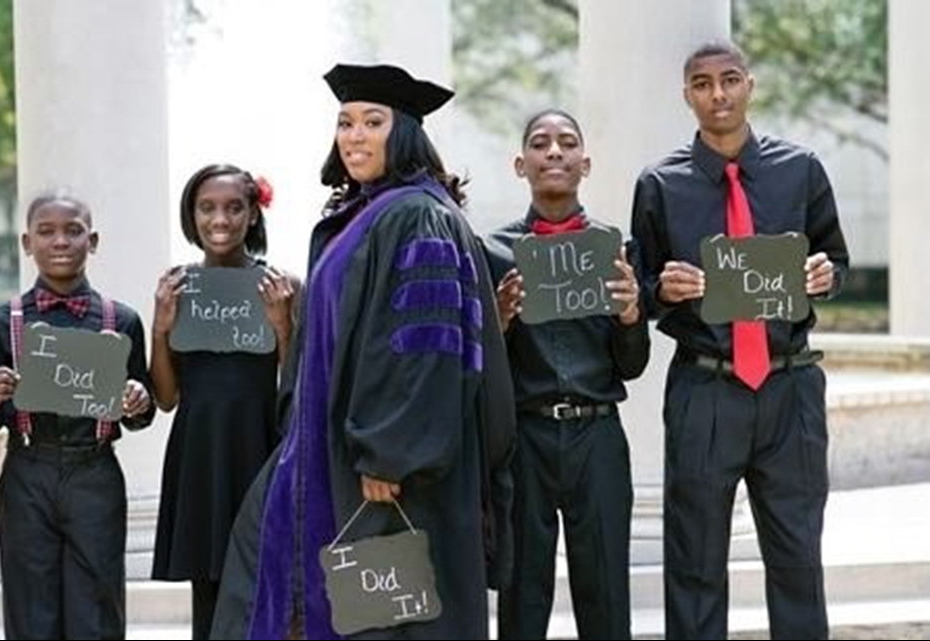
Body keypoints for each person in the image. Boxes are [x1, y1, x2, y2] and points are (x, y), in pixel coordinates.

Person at [209, 63, 516, 640]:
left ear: (402, 134)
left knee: (387, 617)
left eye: (372, 122)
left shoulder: (416, 214)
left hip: (385, 465)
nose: (354, 136)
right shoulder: (365, 213)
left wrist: (389, 452)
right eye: (345, 123)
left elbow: (424, 348)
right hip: (329, 451)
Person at [630, 41, 849, 640]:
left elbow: (839, 264)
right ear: (687, 96)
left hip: (791, 388)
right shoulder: (659, 185)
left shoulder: (800, 170)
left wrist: (827, 276)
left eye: (729, 80)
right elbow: (639, 291)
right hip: (706, 388)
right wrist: (661, 291)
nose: (718, 94)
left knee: (798, 556)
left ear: (750, 85)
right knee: (695, 557)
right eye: (703, 84)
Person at [482, 108, 648, 640]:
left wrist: (629, 317)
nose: (554, 151)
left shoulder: (614, 249)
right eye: (540, 143)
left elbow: (633, 364)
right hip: (526, 437)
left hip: (596, 434)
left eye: (567, 142)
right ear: (520, 164)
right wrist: (500, 322)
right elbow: (483, 370)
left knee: (604, 590)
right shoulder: (492, 252)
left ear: (585, 163)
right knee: (523, 591)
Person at [0, 193, 156, 640]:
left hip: (94, 471)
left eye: (73, 231)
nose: (60, 241)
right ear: (25, 242)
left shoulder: (121, 320)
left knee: (98, 601)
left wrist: (138, 399)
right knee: (29, 601)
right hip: (27, 470)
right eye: (46, 231)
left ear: (92, 242)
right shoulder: (3, 322)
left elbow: (139, 412)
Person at [149, 164, 299, 640]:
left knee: (264, 571)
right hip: (200, 450)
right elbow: (167, 397)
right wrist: (160, 326)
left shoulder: (281, 285)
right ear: (191, 216)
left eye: (234, 207)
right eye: (207, 208)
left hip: (259, 444)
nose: (220, 219)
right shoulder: (178, 286)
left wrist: (282, 327)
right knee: (208, 584)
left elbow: (297, 386)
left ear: (253, 214)